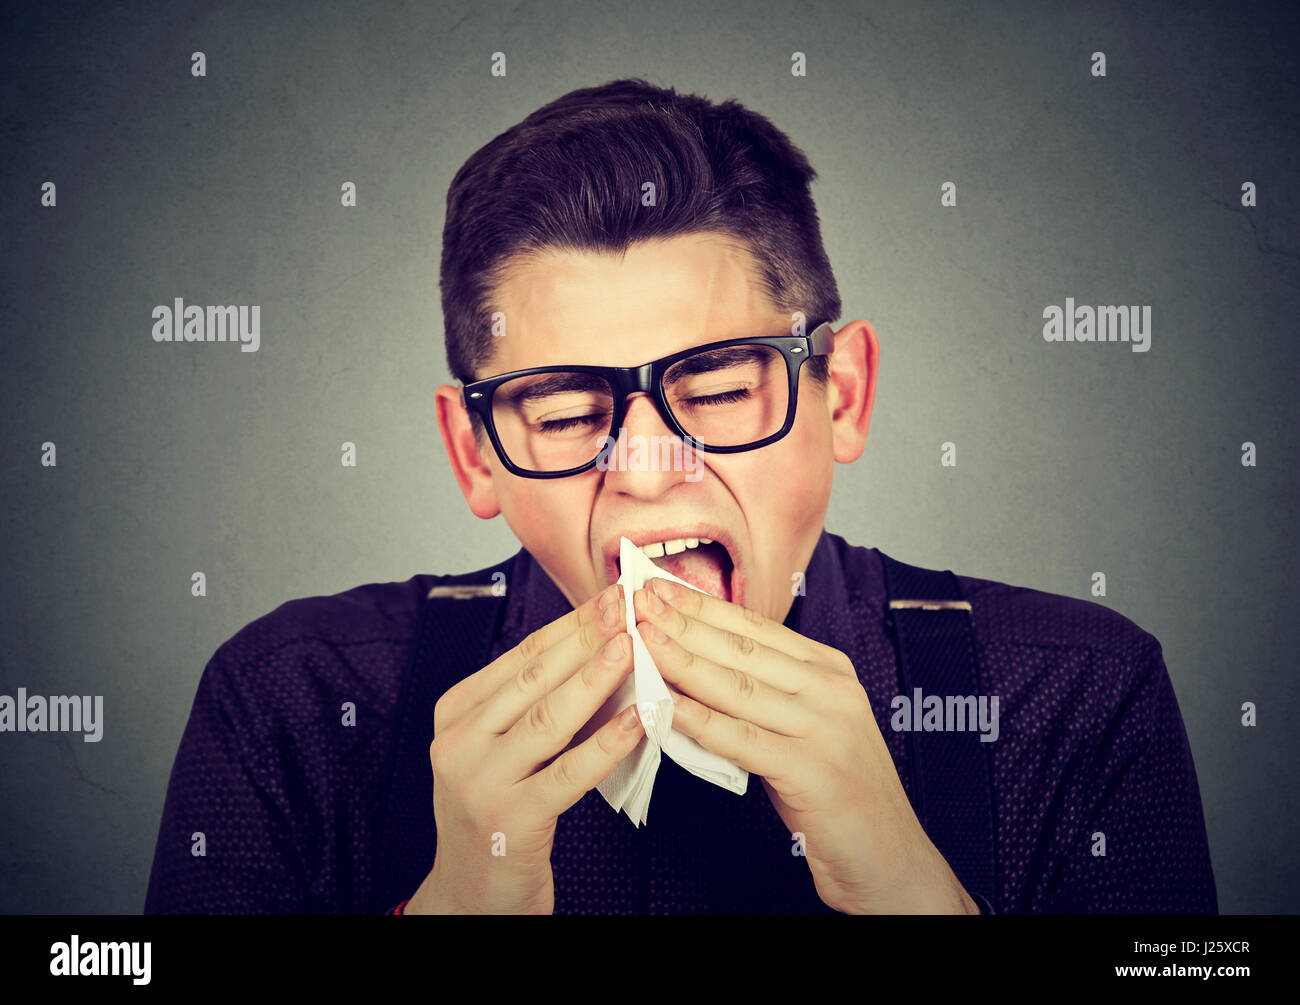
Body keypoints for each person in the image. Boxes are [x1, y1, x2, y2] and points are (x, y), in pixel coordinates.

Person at [144, 78, 1217, 915]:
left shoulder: (1079, 699)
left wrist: (907, 890)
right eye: (564, 415)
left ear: (840, 394)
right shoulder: (289, 705)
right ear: (475, 453)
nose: (650, 467)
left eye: (714, 390)